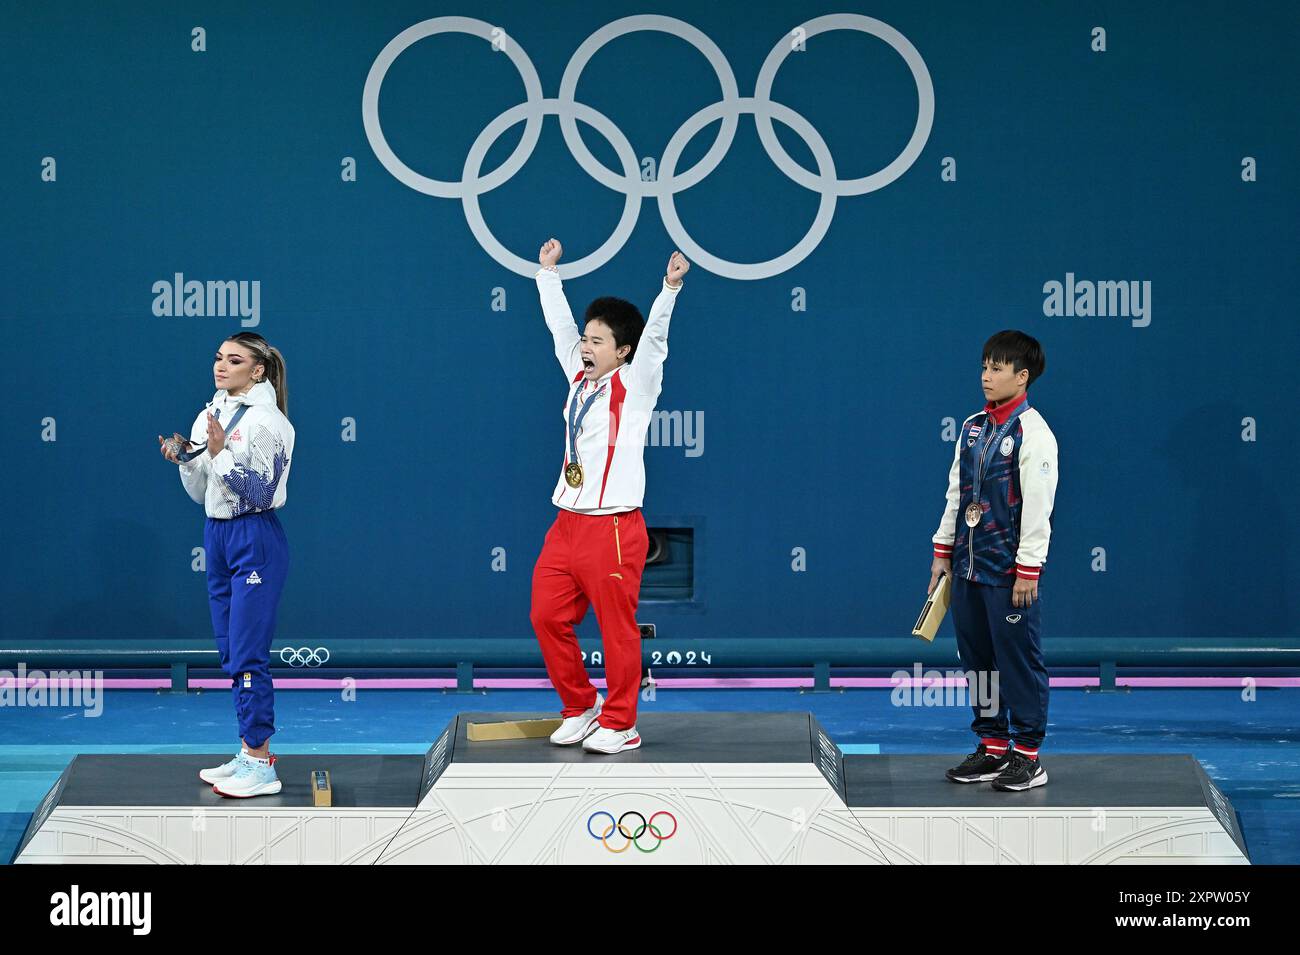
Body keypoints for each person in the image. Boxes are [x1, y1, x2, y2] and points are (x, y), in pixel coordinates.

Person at [530, 238, 688, 754]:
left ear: (622, 351)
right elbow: (558, 327)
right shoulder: (578, 378)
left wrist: (669, 289)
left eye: (598, 341)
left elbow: (656, 340)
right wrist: (548, 275)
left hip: (615, 526)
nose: (585, 346)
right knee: (546, 616)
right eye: (586, 337)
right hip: (567, 523)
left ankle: (622, 722)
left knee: (616, 629)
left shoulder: (637, 385)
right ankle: (580, 707)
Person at [158, 331, 295, 797]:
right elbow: (203, 492)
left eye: (234, 360)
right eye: (218, 357)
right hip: (217, 534)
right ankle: (246, 748)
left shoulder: (269, 423)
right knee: (231, 652)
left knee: (250, 651)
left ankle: (262, 763)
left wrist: (217, 455)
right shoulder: (210, 413)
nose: (221, 366)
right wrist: (186, 462)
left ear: (257, 370)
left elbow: (257, 492)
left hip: (254, 535)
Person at [929, 330, 1058, 791]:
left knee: (1017, 660)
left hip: (1007, 572)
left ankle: (1028, 755)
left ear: (1022, 377)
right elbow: (957, 493)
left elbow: (1039, 506)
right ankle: (993, 746)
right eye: (984, 366)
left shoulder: (1033, 433)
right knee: (979, 661)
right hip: (967, 566)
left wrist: (1028, 568)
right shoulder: (972, 427)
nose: (986, 376)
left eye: (998, 368)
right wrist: (942, 551)